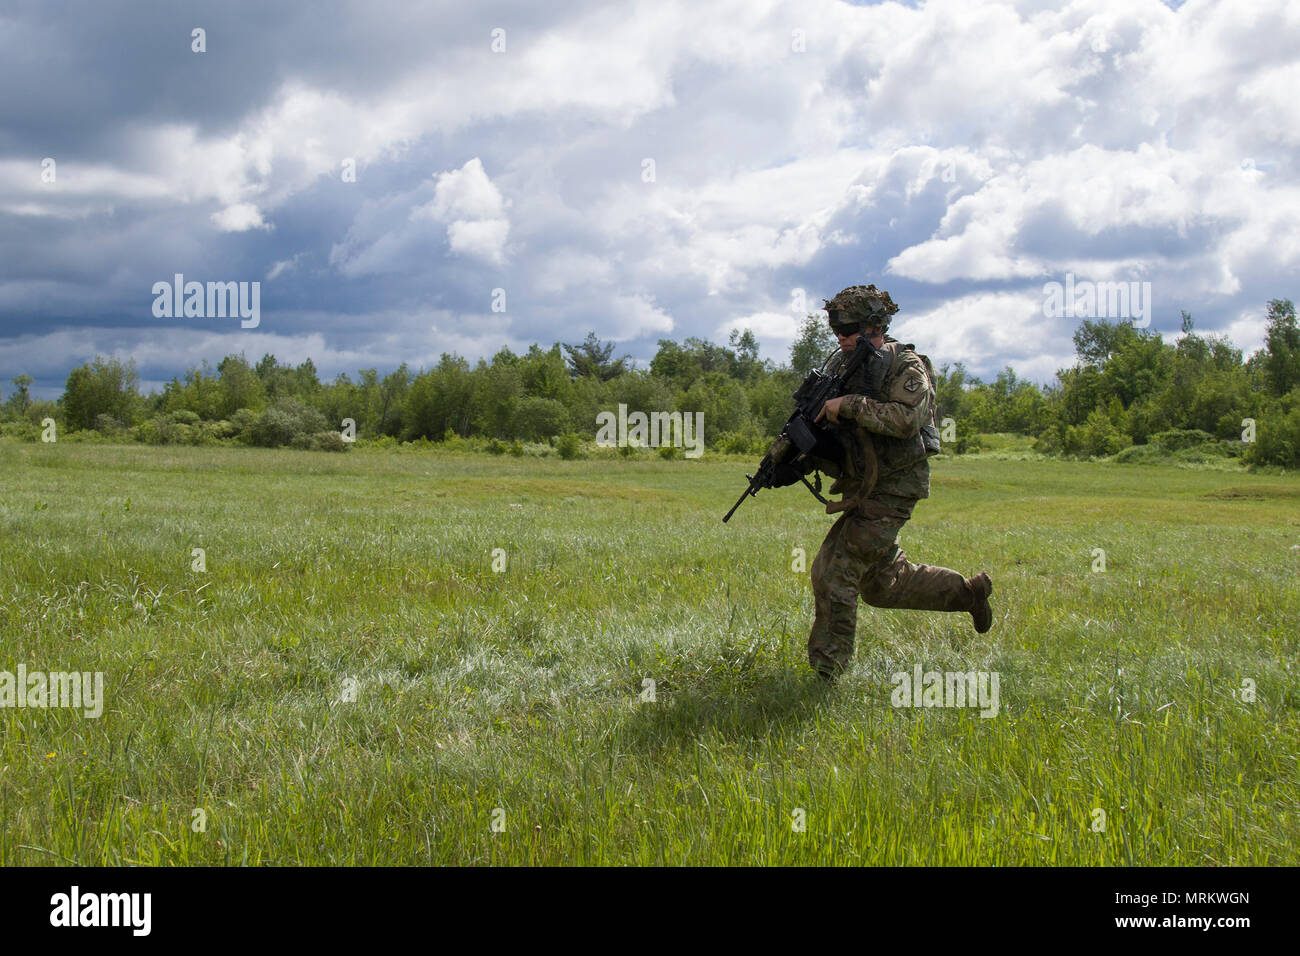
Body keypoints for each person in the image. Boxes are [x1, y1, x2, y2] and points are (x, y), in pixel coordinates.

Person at [801, 284, 994, 681]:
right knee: (881, 584)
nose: (841, 336)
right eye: (835, 329)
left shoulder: (906, 365)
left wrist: (850, 406)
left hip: (894, 488)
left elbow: (907, 420)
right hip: (864, 486)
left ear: (874, 326)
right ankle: (969, 593)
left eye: (848, 327)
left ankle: (827, 674)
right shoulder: (846, 367)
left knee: (834, 572)